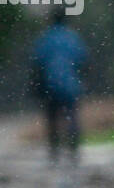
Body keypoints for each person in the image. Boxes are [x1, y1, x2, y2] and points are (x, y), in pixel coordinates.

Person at [31, 9, 87, 162]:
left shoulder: (45, 38)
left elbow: (37, 64)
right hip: (70, 85)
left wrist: (36, 87)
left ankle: (54, 152)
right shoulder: (73, 38)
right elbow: (83, 62)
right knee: (72, 117)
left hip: (50, 85)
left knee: (52, 119)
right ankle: (74, 152)